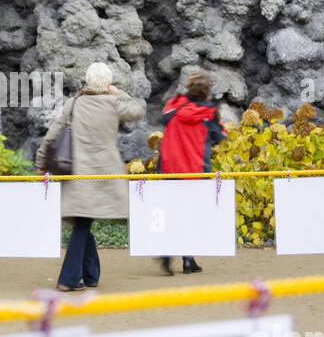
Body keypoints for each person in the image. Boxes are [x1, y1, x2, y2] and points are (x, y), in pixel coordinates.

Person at [36, 62, 145, 292]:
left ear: (86, 81)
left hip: (78, 173)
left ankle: (85, 275)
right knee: (82, 223)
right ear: (108, 83)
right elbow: (138, 109)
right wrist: (119, 92)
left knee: (82, 222)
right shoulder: (114, 104)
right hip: (105, 175)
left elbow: (53, 132)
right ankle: (72, 278)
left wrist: (41, 162)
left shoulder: (74, 103)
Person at [157, 68, 227, 276]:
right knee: (192, 215)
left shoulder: (173, 107)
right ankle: (188, 260)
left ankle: (169, 255)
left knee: (173, 213)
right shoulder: (210, 112)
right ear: (207, 91)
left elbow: (163, 121)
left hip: (171, 168)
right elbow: (220, 136)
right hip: (196, 170)